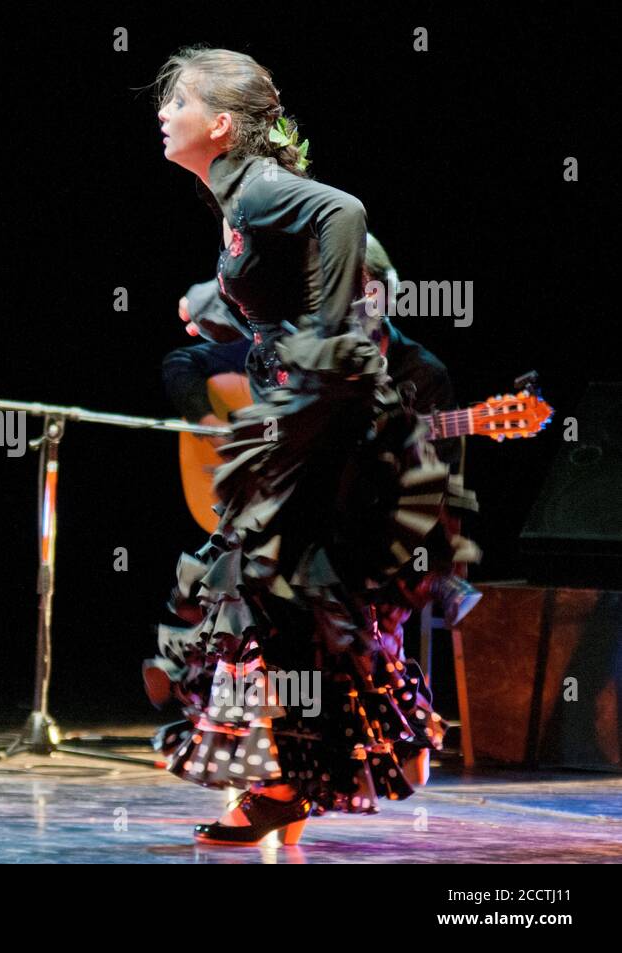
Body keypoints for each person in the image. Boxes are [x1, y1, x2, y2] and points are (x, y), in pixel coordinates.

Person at [142, 47, 480, 845]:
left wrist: (324, 340)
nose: (163, 113)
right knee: (279, 605)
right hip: (301, 419)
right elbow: (274, 299)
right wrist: (214, 307)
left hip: (323, 422)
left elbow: (343, 211)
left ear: (219, 124)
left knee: (266, 592)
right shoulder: (235, 198)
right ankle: (287, 780)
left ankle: (288, 784)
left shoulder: (259, 190)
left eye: (177, 101)